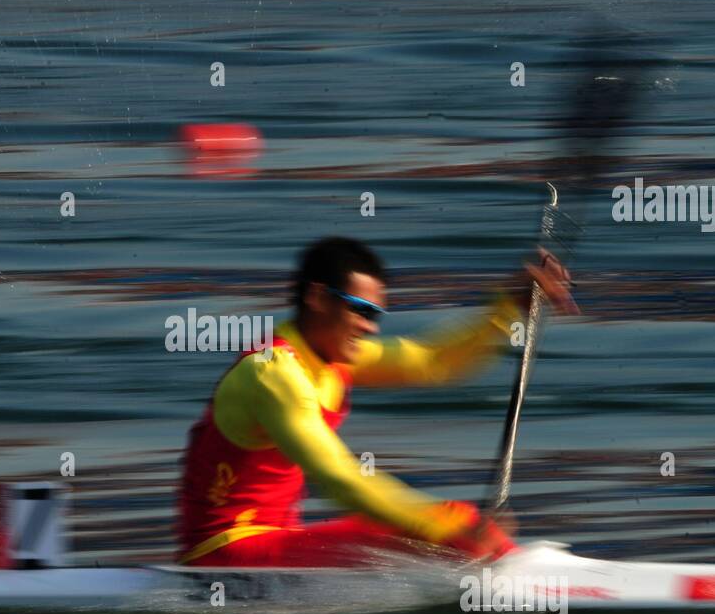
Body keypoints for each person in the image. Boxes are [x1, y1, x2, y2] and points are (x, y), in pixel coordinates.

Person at [175, 236, 578, 567]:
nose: (370, 326)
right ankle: (515, 577)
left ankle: (509, 570)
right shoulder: (274, 373)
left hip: (276, 543)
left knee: (451, 526)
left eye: (376, 314)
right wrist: (435, 525)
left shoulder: (326, 357)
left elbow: (430, 360)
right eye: (361, 310)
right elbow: (341, 479)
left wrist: (508, 307)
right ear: (317, 297)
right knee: (451, 522)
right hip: (224, 554)